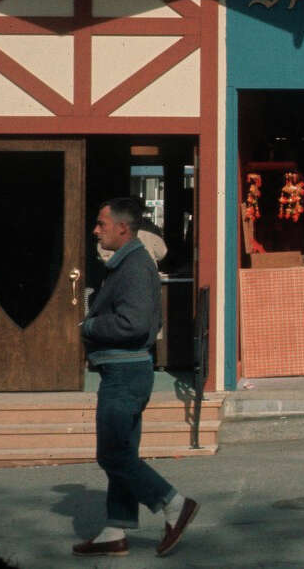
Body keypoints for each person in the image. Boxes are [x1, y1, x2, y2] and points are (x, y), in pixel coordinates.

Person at [74, 197, 198, 558]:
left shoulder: (134, 265)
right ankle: (115, 530)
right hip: (125, 371)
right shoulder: (127, 263)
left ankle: (174, 505)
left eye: (102, 224)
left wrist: (90, 325)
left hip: (125, 373)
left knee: (112, 454)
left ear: (123, 228)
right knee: (123, 452)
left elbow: (135, 323)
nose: (97, 230)